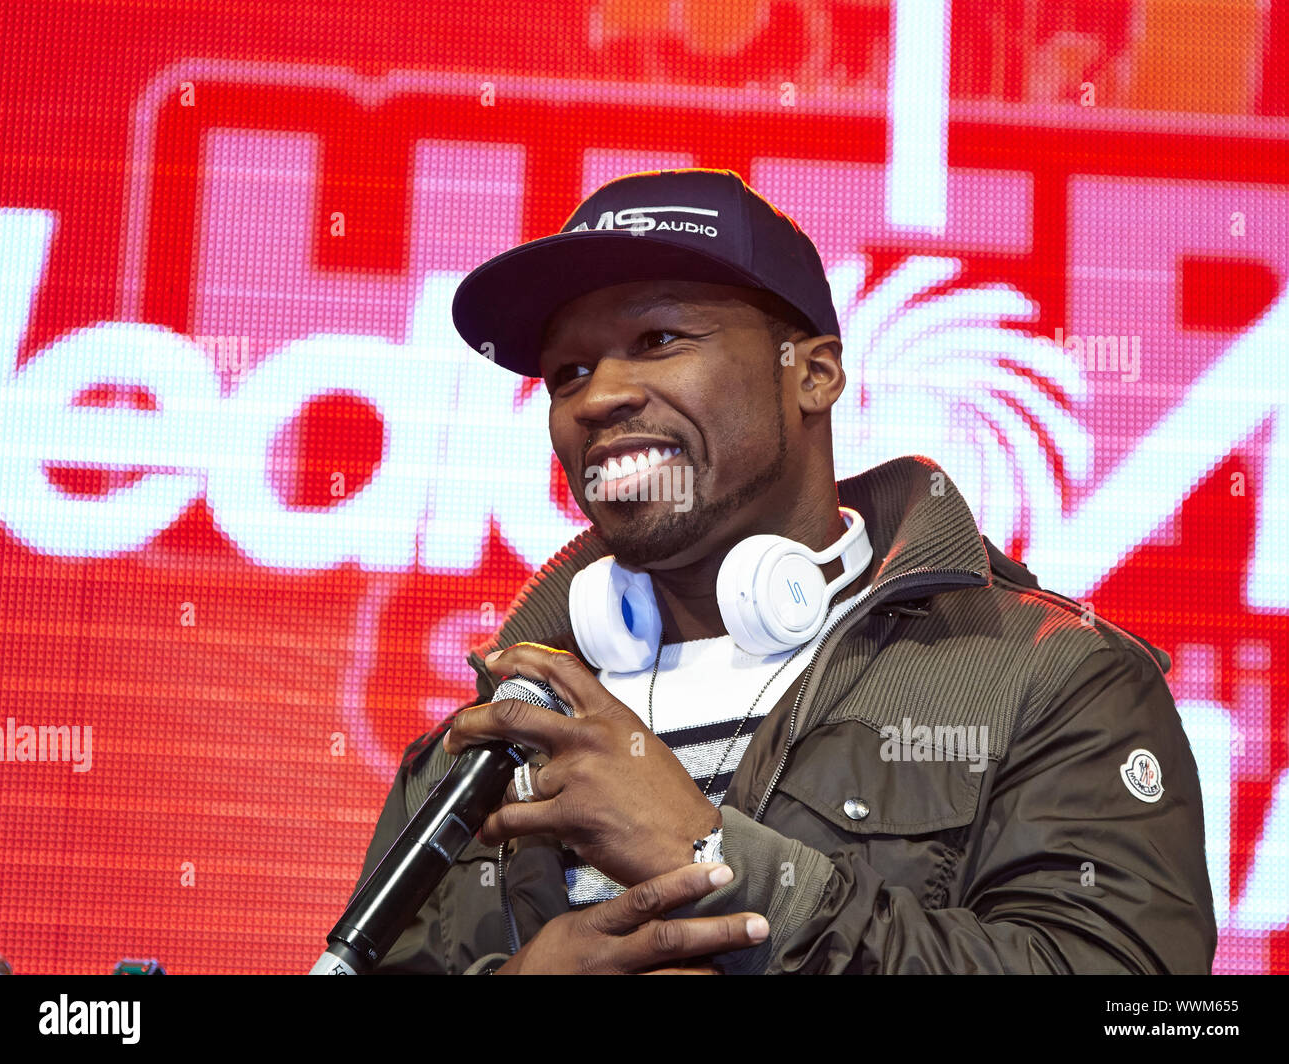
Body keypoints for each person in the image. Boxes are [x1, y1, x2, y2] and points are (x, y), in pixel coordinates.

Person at [349, 168, 1217, 974]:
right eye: (567, 371)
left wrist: (723, 863)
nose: (597, 396)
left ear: (815, 374)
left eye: (656, 339)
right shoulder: (481, 744)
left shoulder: (1049, 679)